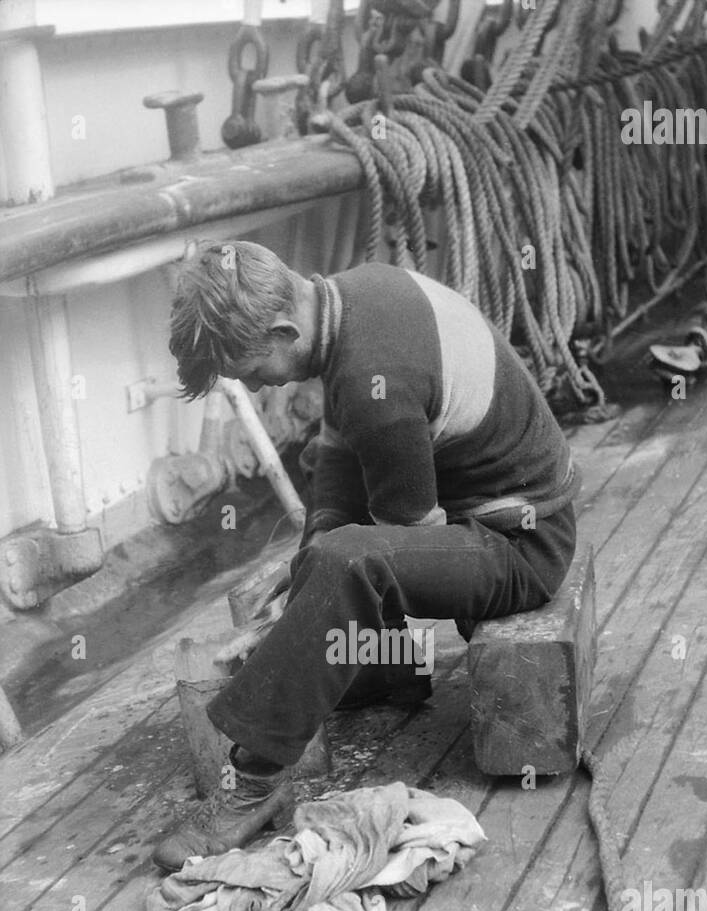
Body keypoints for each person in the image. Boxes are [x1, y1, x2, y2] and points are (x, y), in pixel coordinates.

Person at [154, 239, 578, 870]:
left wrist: (293, 618)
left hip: (521, 544)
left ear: (284, 329)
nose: (250, 385)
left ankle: (252, 783)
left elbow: (391, 543)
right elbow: (340, 454)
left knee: (349, 563)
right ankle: (387, 671)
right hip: (487, 513)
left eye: (247, 369)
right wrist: (306, 573)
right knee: (332, 556)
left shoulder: (373, 381)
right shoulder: (351, 302)